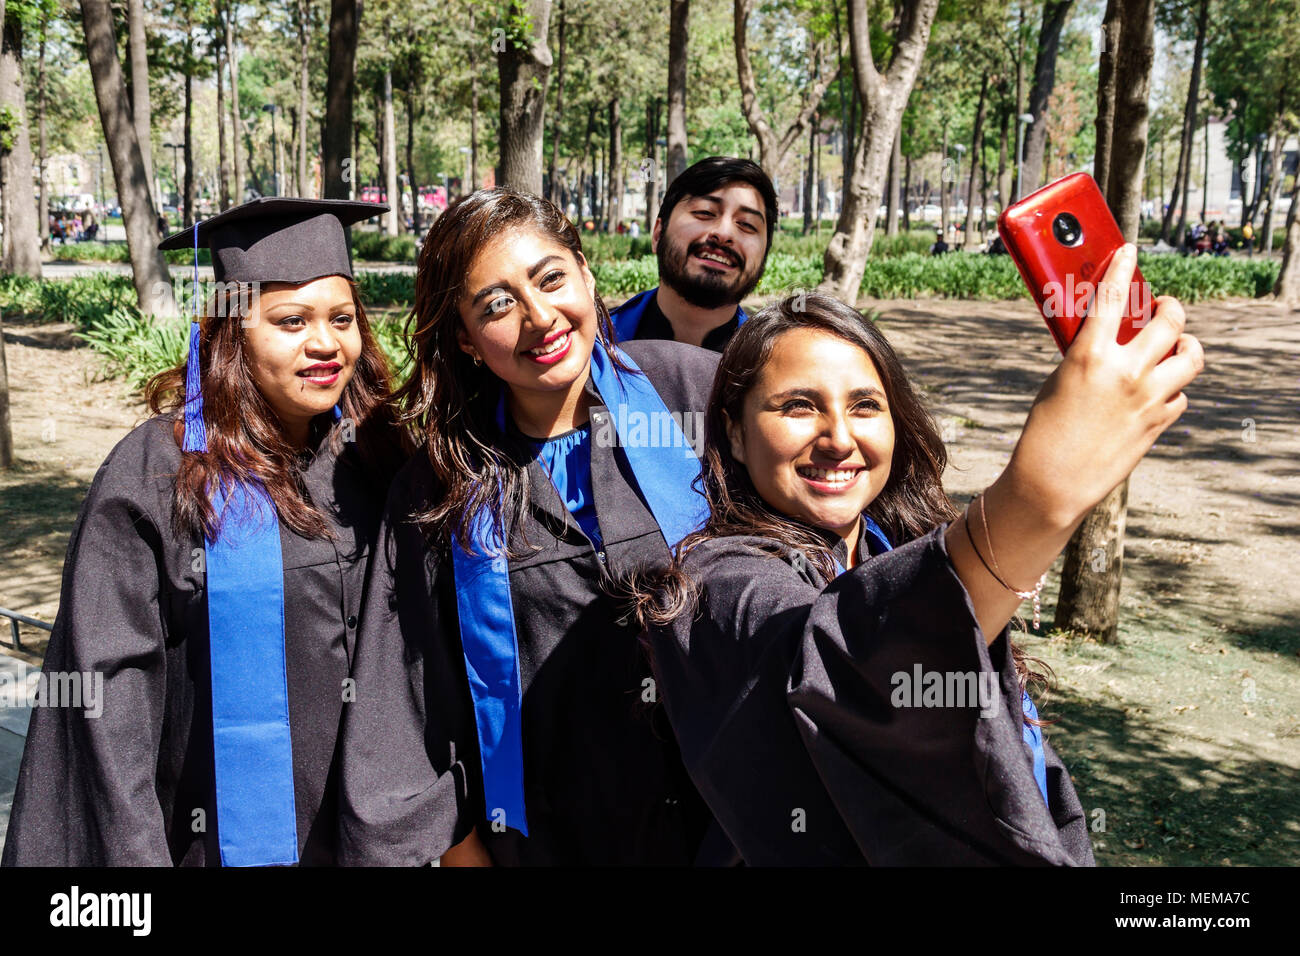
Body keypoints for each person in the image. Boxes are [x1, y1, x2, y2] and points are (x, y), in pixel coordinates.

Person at [636, 248, 1204, 865]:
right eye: (798, 406)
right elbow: (851, 662)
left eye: (865, 405)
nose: (839, 438)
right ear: (737, 435)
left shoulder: (897, 545)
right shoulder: (715, 585)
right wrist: (1040, 498)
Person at [1, 198, 409, 866]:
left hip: (370, 840)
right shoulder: (160, 473)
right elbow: (109, 699)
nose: (326, 343)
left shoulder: (375, 459)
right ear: (232, 333)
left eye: (342, 319)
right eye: (290, 320)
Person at [336, 188, 722, 866]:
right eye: (497, 304)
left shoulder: (695, 394)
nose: (540, 317)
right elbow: (407, 704)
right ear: (463, 336)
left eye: (551, 279)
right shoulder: (440, 489)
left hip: (722, 826)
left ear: (586, 275)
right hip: (548, 843)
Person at [609, 156, 777, 353]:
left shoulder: (772, 366)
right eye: (705, 212)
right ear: (657, 235)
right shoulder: (593, 348)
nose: (724, 234)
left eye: (747, 224)